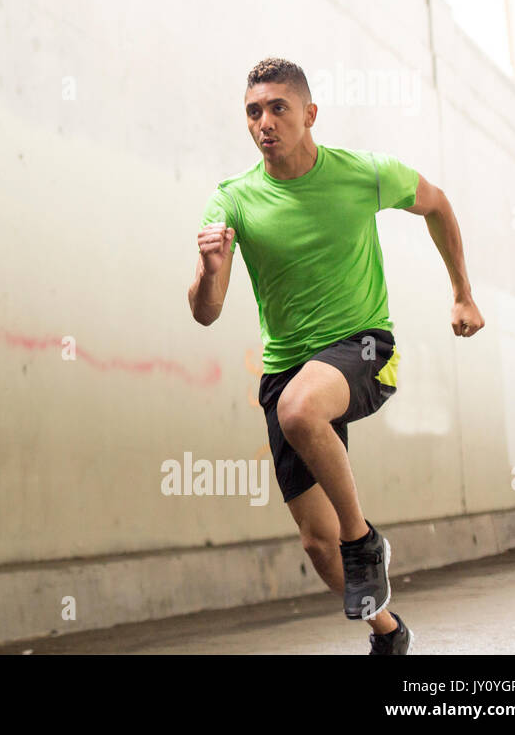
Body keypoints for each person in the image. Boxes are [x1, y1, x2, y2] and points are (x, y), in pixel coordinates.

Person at [188, 57, 485, 655]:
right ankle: (389, 631)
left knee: (302, 413)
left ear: (309, 114)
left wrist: (462, 293)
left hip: (367, 348)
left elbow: (437, 204)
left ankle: (364, 540)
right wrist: (210, 269)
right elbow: (206, 311)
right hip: (287, 368)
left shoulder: (364, 174)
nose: (264, 122)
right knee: (316, 545)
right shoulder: (233, 200)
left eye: (278, 108)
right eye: (253, 112)